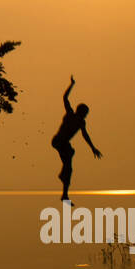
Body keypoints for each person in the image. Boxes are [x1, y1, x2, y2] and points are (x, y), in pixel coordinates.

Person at [52, 74, 102, 203]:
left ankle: (65, 194)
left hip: (64, 144)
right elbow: (65, 98)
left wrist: (93, 148)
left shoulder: (81, 123)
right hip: (58, 141)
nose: (85, 116)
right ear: (80, 112)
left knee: (69, 168)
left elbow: (85, 135)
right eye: (85, 114)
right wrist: (71, 85)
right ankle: (63, 176)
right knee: (70, 155)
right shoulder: (70, 114)